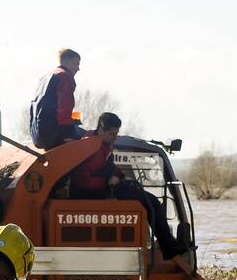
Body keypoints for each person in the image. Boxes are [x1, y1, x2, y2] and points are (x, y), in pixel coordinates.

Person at [69, 111, 189, 262]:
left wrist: (118, 176)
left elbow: (109, 167)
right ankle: (168, 247)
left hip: (100, 188)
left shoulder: (103, 145)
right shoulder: (91, 148)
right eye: (112, 134)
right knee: (148, 200)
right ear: (101, 130)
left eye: (116, 134)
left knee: (146, 197)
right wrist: (107, 181)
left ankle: (167, 245)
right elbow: (83, 181)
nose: (115, 138)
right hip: (91, 192)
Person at [29, 48, 84, 149]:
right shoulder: (65, 76)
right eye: (76, 64)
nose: (78, 68)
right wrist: (68, 132)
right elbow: (64, 108)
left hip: (37, 134)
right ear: (67, 62)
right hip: (53, 133)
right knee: (86, 139)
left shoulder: (46, 77)